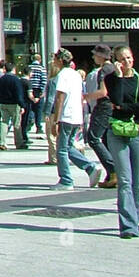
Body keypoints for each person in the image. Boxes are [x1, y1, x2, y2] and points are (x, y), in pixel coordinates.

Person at [104, 46, 139, 239]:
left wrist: (125, 107)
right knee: (125, 180)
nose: (126, 62)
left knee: (138, 181)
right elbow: (115, 98)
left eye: (129, 58)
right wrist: (118, 77)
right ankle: (127, 225)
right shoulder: (111, 79)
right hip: (117, 133)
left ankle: (136, 217)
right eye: (122, 59)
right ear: (116, 61)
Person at [49, 48, 101, 189]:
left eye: (55, 59)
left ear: (60, 60)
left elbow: (60, 97)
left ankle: (66, 179)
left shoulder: (62, 75)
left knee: (61, 149)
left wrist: (56, 120)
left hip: (66, 116)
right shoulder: (76, 75)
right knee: (68, 146)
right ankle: (90, 167)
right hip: (76, 115)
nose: (53, 62)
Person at [83, 43, 118, 188]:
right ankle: (111, 174)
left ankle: (113, 168)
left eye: (95, 54)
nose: (93, 57)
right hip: (111, 106)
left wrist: (86, 96)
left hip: (103, 106)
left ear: (101, 56)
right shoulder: (113, 68)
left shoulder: (105, 70)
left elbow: (103, 92)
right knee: (105, 139)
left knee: (93, 137)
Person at [0, 61, 29, 151]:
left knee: (4, 122)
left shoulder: (0, 79)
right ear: (14, 69)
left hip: (3, 103)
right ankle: (19, 142)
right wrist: (22, 105)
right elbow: (18, 94)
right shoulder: (16, 80)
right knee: (16, 123)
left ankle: (2, 141)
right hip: (14, 104)